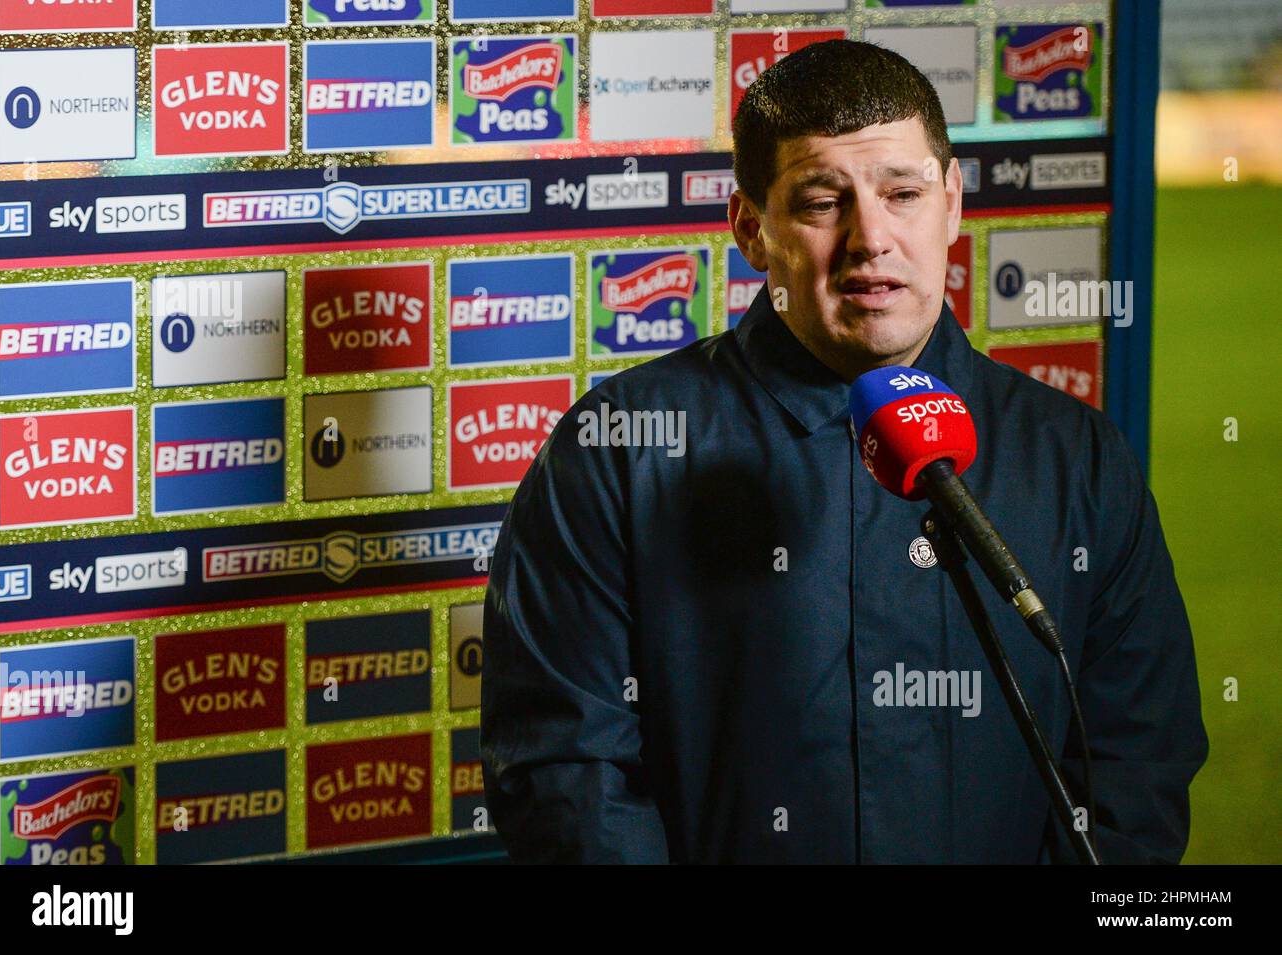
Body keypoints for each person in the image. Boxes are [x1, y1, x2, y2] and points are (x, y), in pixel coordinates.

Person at [480, 40, 1209, 864]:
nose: (873, 237)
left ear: (954, 203)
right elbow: (567, 777)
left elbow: (1135, 763)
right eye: (824, 201)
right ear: (752, 229)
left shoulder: (1076, 455)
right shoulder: (615, 450)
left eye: (903, 193)